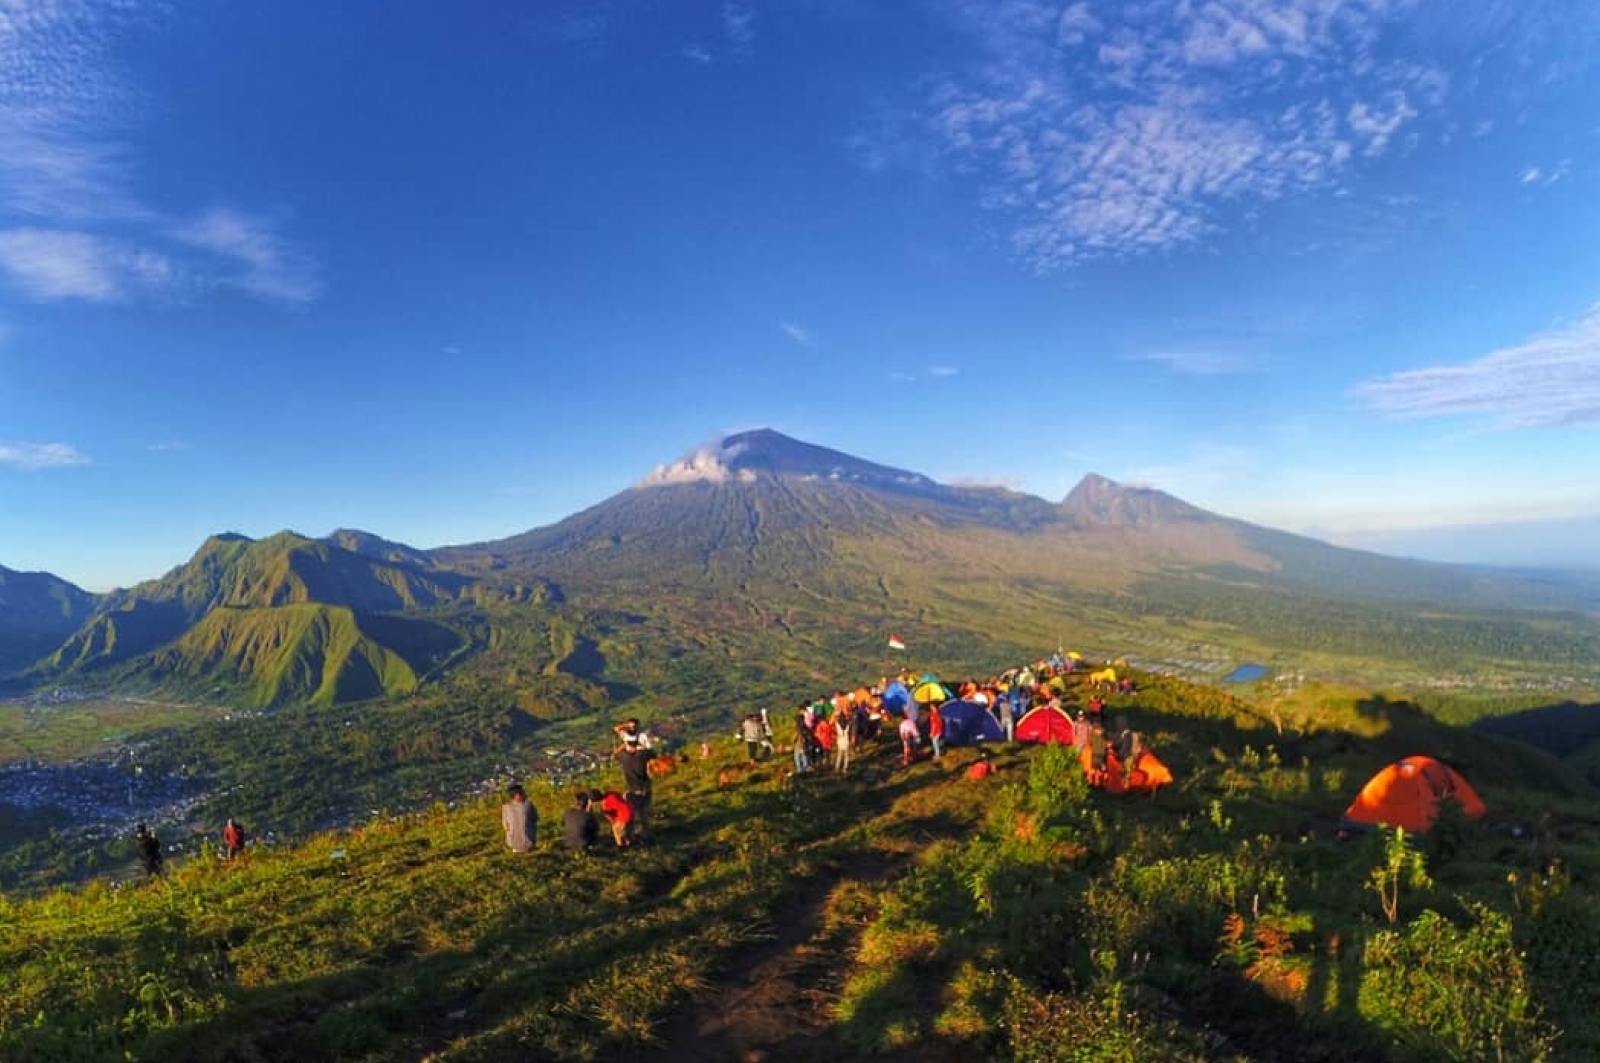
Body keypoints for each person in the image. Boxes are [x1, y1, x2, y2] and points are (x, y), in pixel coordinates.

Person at [614, 733, 655, 837]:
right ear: (637, 743)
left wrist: (624, 744)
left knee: (630, 814)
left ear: (627, 743)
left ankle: (629, 835)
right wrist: (641, 745)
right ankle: (646, 834)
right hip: (646, 788)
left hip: (633, 791)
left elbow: (615, 754)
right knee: (644, 813)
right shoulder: (644, 755)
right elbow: (652, 752)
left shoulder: (624, 757)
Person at [501, 784, 538, 853]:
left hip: (513, 843)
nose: (525, 794)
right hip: (528, 842)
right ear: (517, 795)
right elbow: (535, 819)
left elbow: (505, 826)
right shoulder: (528, 805)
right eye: (523, 792)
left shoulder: (506, 807)